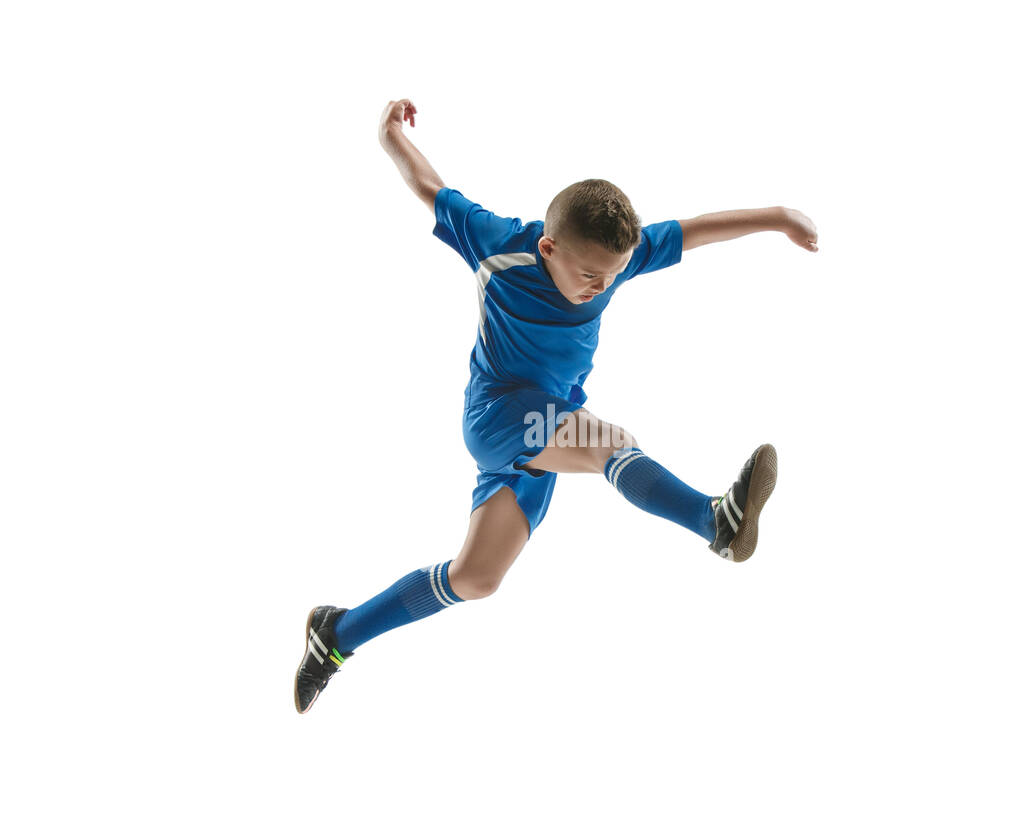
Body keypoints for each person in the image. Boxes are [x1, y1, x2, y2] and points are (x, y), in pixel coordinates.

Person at [294, 98, 819, 713]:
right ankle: (714, 522)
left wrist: (780, 216)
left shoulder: (616, 260)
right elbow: (431, 186)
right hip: (500, 414)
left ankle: (335, 634)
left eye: (613, 275)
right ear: (547, 249)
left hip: (546, 433)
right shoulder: (497, 244)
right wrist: (389, 135)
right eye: (590, 276)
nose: (601, 287)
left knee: (476, 578)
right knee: (609, 444)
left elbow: (693, 231)